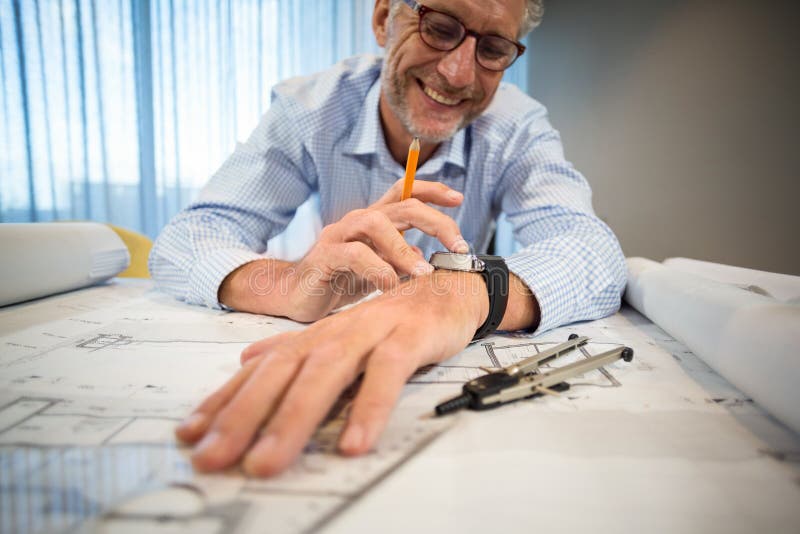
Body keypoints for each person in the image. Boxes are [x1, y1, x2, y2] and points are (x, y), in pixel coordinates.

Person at [150, 0, 626, 477]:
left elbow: (594, 250)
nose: (459, 74)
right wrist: (291, 282)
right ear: (382, 20)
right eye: (439, 28)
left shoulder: (516, 127)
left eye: (494, 48)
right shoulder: (311, 108)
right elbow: (187, 238)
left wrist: (462, 294)